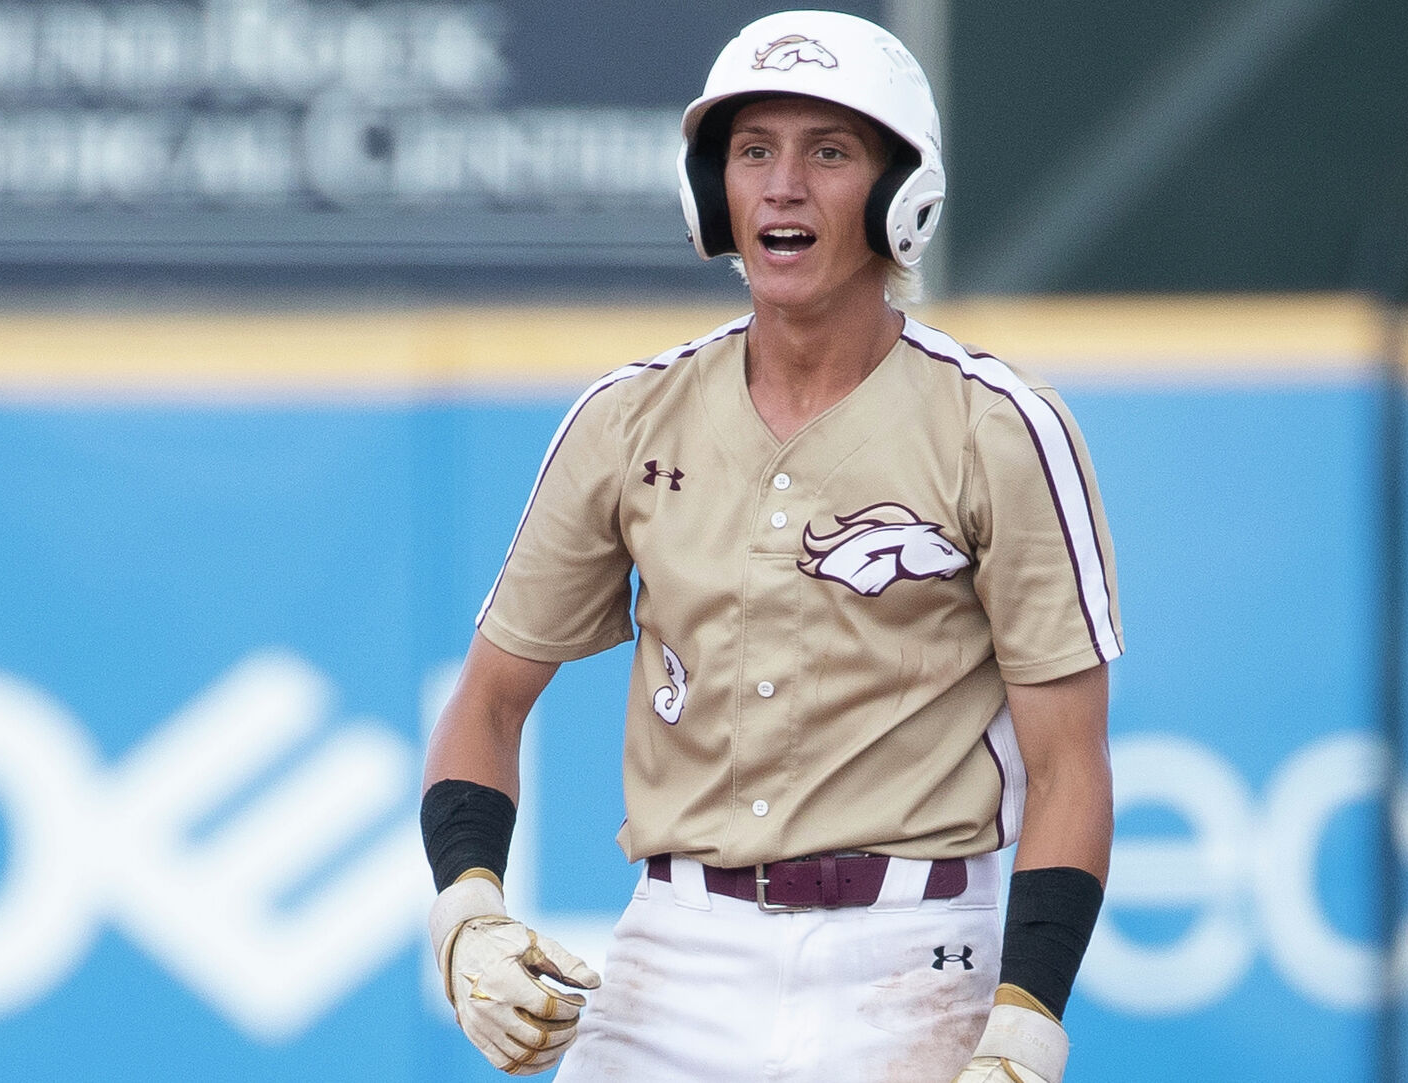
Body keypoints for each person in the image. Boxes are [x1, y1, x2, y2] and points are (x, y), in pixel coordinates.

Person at [419, 11, 1120, 1081]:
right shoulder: (625, 420)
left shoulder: (998, 425)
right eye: (752, 152)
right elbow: (488, 700)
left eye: (827, 152)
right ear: (712, 190)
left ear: (900, 195)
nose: (781, 185)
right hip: (675, 946)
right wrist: (467, 913)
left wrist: (1025, 1015)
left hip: (915, 952)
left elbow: (1069, 760)